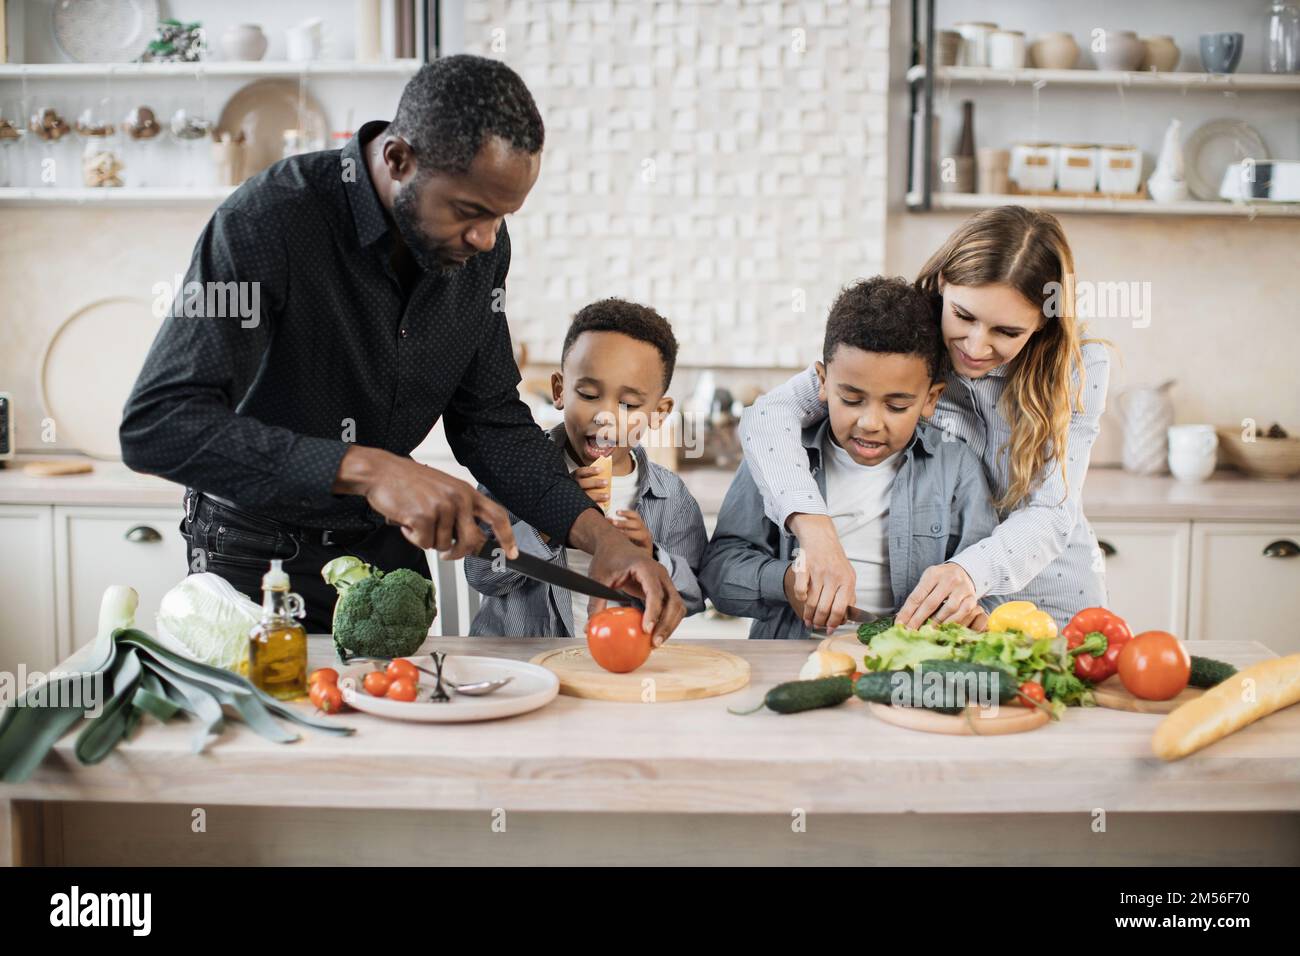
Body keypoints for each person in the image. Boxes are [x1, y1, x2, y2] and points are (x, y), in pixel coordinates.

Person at [120, 56, 683, 638]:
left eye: (501, 217)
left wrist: (602, 538)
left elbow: (488, 420)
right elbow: (159, 425)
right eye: (468, 213)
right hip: (255, 561)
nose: (487, 238)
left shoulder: (480, 246)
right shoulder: (267, 222)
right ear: (398, 159)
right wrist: (369, 469)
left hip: (386, 560)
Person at [737, 206, 1110, 632]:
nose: (975, 346)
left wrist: (969, 573)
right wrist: (816, 533)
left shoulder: (1078, 366)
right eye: (964, 316)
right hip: (948, 615)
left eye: (1006, 332)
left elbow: (1052, 512)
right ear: (943, 283)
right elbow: (769, 415)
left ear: (1043, 323)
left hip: (1053, 602)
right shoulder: (910, 342)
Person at [700, 277, 997, 638]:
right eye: (852, 399)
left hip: (909, 667)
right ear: (822, 381)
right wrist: (784, 582)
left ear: (931, 399)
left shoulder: (955, 465)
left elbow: (988, 584)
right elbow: (718, 573)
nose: (870, 423)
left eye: (897, 405)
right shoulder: (779, 454)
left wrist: (970, 612)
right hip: (791, 657)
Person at [465, 299, 707, 637]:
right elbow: (481, 576)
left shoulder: (671, 499)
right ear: (560, 390)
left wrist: (652, 556)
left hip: (618, 672)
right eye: (589, 394)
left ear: (659, 412)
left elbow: (692, 598)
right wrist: (550, 522)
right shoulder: (513, 472)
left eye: (629, 404)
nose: (605, 415)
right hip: (524, 670)